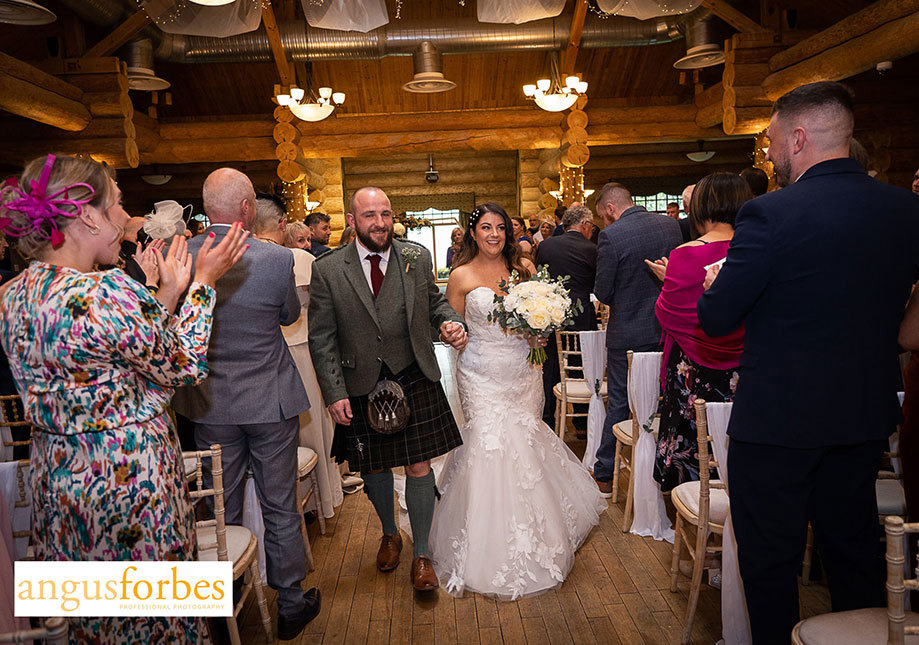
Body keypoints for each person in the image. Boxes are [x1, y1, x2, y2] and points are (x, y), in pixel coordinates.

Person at [698, 81, 919, 643]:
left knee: (771, 563)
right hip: (862, 415)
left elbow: (717, 319)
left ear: (798, 138)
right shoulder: (904, 208)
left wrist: (719, 282)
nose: (769, 152)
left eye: (771, 140)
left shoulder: (769, 214)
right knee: (853, 553)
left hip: (778, 421)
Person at [0, 153, 248, 642]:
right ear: (87, 216)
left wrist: (166, 296)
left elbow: (113, 357)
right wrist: (202, 284)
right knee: (154, 619)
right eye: (117, 206)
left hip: (60, 481)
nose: (126, 221)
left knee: (92, 620)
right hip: (131, 483)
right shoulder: (109, 289)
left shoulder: (12, 295)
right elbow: (182, 364)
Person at [171, 168, 320, 641]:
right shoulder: (276, 259)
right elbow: (290, 316)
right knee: (279, 504)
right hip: (269, 401)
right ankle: (291, 604)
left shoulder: (182, 256)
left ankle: (223, 609)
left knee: (218, 508)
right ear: (248, 208)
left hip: (211, 403)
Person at [430, 202, 606, 599]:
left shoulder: (524, 270)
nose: (494, 235)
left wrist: (540, 332)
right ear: (473, 233)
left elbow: (538, 318)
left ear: (509, 234)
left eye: (500, 229)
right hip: (480, 372)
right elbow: (450, 326)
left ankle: (540, 527)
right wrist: (450, 333)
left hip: (523, 370)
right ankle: (487, 540)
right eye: (486, 228)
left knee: (526, 443)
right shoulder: (460, 276)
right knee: (489, 446)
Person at [308, 186, 467, 591]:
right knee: (373, 467)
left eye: (385, 214)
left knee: (418, 466)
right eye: (369, 216)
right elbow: (322, 335)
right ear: (352, 220)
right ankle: (389, 533)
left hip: (413, 373)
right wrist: (333, 392)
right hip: (360, 381)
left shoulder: (416, 256)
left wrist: (448, 321)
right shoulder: (328, 269)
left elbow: (433, 303)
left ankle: (423, 553)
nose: (380, 223)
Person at [644, 173, 748, 492]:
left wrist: (668, 282)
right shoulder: (752, 250)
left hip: (693, 369)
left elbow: (667, 314)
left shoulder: (685, 254)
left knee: (694, 442)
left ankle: (694, 499)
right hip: (745, 368)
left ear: (700, 207)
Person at [253, 194, 343, 522]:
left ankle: (300, 503)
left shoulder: (255, 257)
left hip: (277, 349)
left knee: (295, 428)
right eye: (302, 239)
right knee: (316, 422)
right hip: (303, 346)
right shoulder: (299, 260)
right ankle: (325, 494)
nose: (307, 246)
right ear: (285, 233)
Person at [592, 182, 682, 497]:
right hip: (668, 331)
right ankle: (667, 474)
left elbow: (602, 291)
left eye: (603, 216)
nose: (604, 222)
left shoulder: (611, 236)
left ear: (610, 209)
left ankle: (604, 473)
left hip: (626, 334)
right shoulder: (671, 226)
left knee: (620, 403)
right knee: (666, 403)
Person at [534, 203, 598, 428]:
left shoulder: (546, 246)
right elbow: (597, 285)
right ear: (585, 224)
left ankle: (548, 419)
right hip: (583, 317)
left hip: (551, 316)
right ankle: (582, 423)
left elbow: (540, 279)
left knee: (551, 367)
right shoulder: (592, 249)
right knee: (581, 366)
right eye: (591, 226)